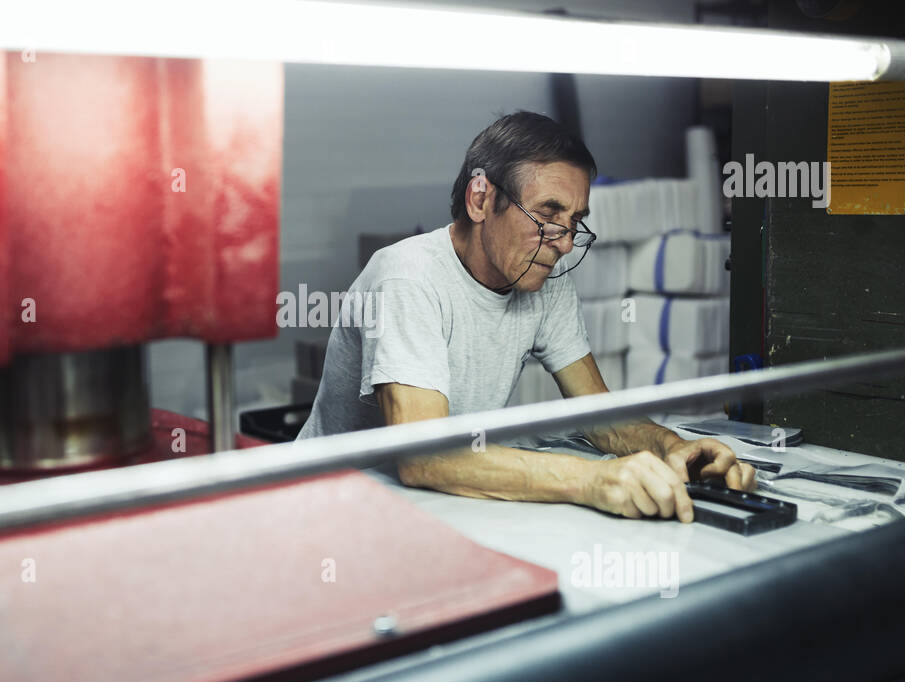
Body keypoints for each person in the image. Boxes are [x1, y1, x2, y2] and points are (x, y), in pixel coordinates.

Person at [296, 111, 755, 522]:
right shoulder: (407, 278)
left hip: (431, 508)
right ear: (480, 200)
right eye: (547, 216)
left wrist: (673, 448)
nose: (565, 243)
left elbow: (597, 414)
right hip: (331, 510)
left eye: (575, 222)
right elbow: (424, 456)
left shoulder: (543, 279)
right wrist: (592, 481)